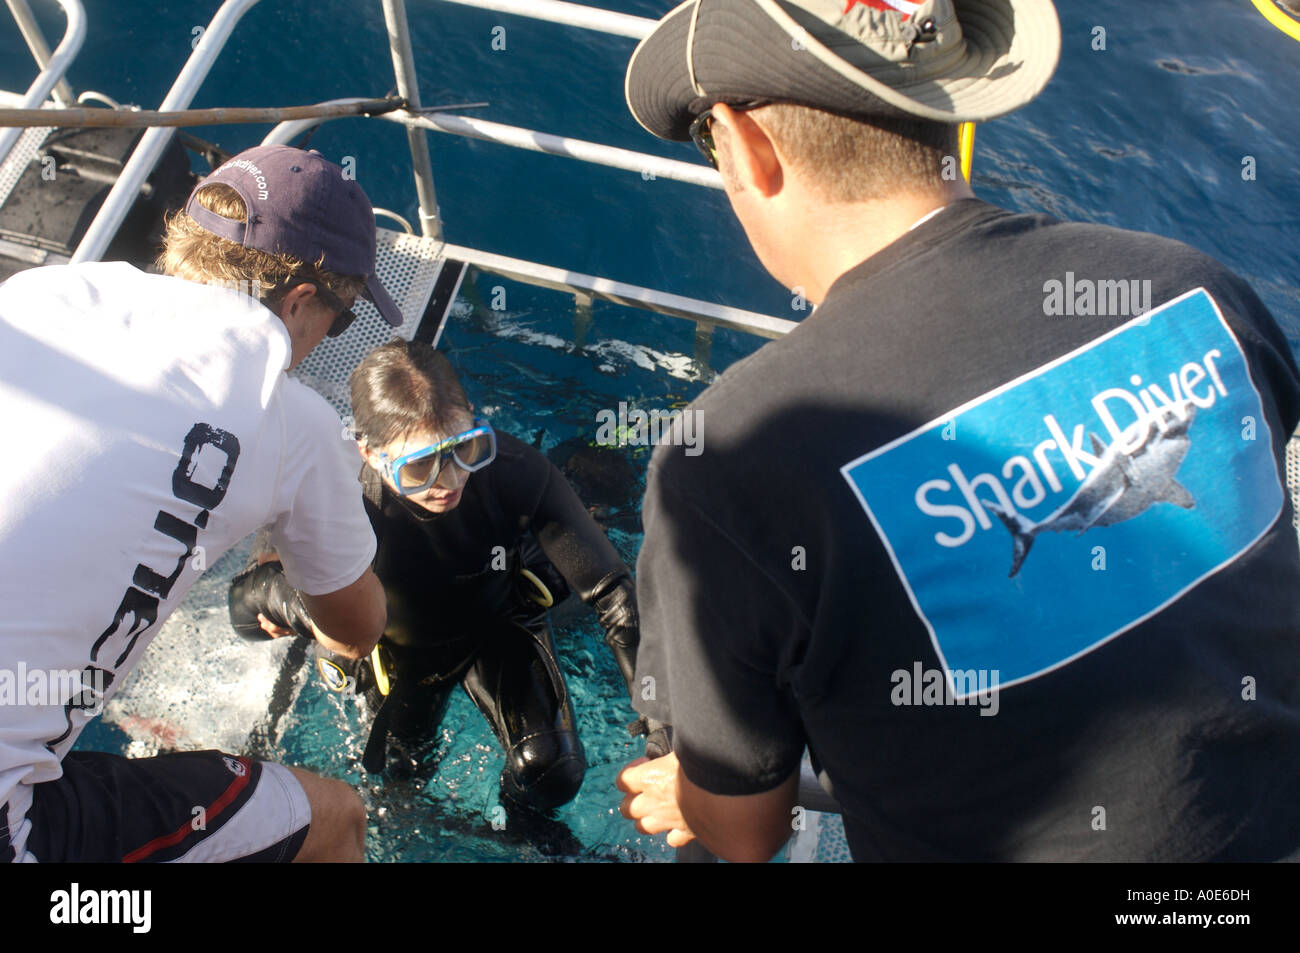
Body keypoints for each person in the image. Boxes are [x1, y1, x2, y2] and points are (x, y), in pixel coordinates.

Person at [616, 0, 1300, 862]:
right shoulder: (1199, 289)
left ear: (747, 146)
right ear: (951, 102)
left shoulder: (728, 455)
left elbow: (748, 832)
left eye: (709, 145)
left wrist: (690, 788)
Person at [0, 144, 401, 863]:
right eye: (339, 319)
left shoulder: (37, 295)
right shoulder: (295, 424)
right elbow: (357, 626)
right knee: (336, 818)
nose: (324, 340)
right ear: (299, 301)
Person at [229, 339, 642, 814]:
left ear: (473, 419)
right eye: (420, 466)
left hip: (497, 621)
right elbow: (246, 607)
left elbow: (615, 594)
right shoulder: (339, 501)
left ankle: (521, 829)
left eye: (464, 448)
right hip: (402, 651)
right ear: (368, 452)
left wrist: (663, 730)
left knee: (552, 772)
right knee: (402, 778)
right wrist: (295, 606)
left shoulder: (513, 468)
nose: (449, 480)